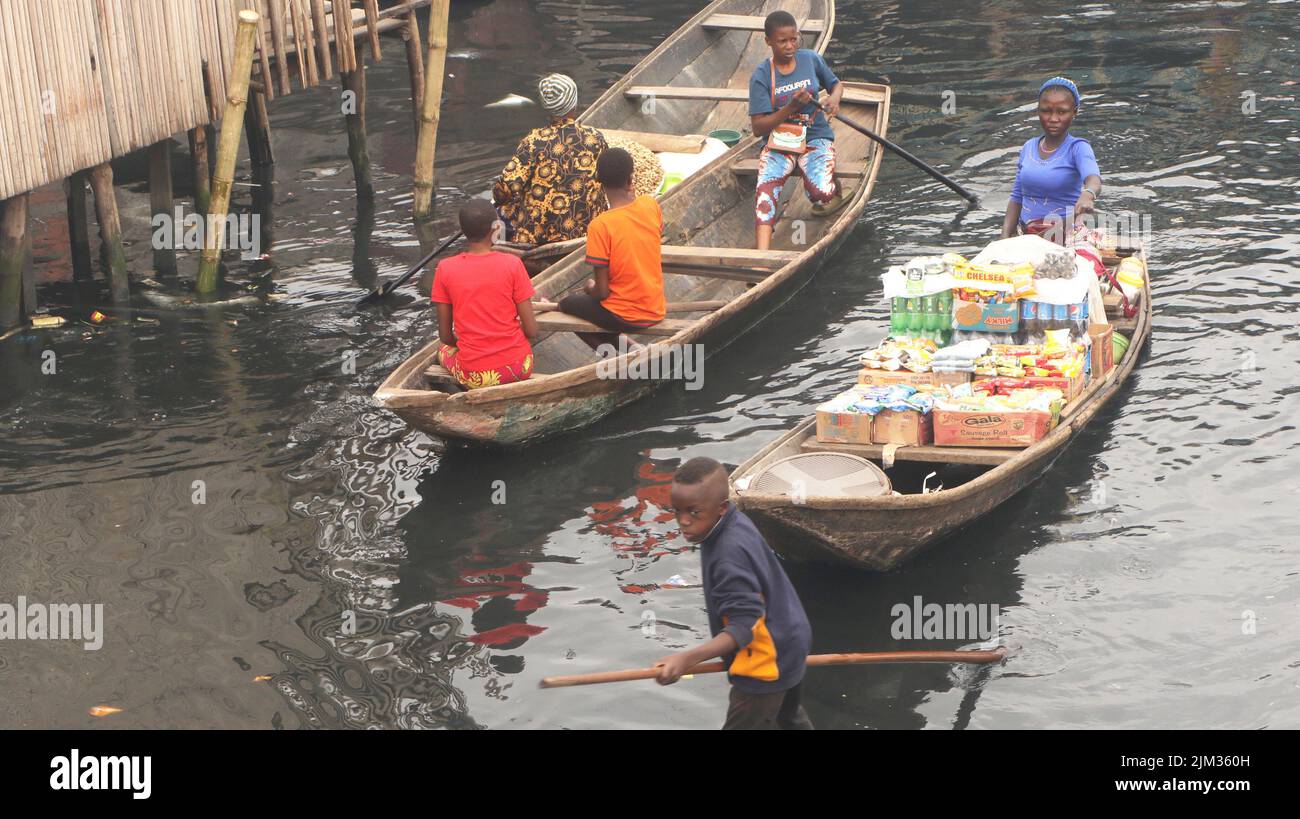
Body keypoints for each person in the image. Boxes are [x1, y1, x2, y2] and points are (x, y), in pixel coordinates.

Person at [655, 457, 814, 730]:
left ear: (721, 508)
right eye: (677, 511)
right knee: (788, 720)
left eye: (693, 512)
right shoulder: (734, 521)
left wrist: (685, 659)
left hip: (764, 661)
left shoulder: (728, 556)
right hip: (791, 640)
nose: (683, 522)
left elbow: (743, 629)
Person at [748, 10, 848, 251]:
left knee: (820, 194)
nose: (790, 46)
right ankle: (761, 259)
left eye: (794, 39)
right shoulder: (761, 76)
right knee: (765, 194)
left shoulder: (810, 59)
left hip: (815, 136)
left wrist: (834, 99)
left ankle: (834, 187)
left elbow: (836, 84)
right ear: (768, 41)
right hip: (779, 142)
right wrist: (791, 108)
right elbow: (757, 127)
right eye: (782, 41)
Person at [558, 148, 665, 351]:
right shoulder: (650, 205)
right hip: (656, 308)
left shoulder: (600, 226)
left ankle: (618, 356)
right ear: (630, 179)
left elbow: (602, 292)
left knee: (566, 305)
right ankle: (630, 351)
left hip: (624, 316)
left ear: (600, 183)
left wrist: (589, 288)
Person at [431, 200, 538, 389]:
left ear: (463, 231)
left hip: (475, 375)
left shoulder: (445, 269)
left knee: (442, 350)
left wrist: (472, 348)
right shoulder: (512, 264)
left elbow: (446, 336)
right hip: (520, 367)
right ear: (496, 228)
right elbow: (531, 331)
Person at [492, 73, 608, 246]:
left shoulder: (534, 141)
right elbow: (607, 177)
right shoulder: (594, 138)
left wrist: (504, 201)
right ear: (573, 104)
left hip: (539, 237)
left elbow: (504, 190)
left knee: (503, 208)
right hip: (587, 230)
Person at [1001, 76, 1103, 243]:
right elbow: (1017, 196)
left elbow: (1093, 179)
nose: (1053, 119)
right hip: (1027, 236)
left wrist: (1088, 194)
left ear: (1074, 112)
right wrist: (1004, 239)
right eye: (1046, 111)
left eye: (1062, 112)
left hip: (1066, 237)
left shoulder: (1078, 148)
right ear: (1038, 110)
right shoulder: (1028, 147)